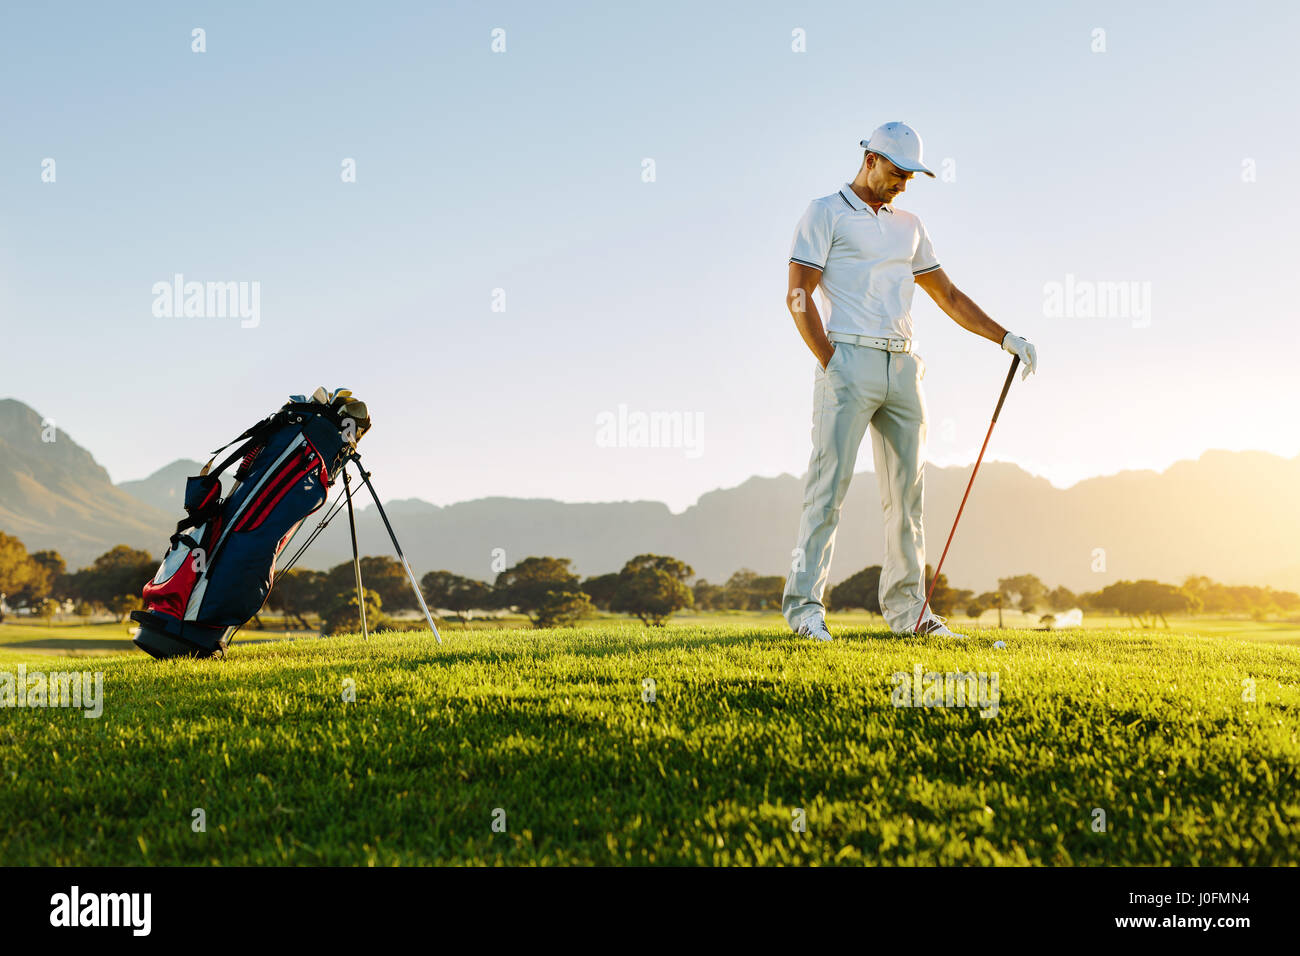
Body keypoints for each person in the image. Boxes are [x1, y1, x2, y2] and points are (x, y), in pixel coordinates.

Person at [781, 122, 1038, 641]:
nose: (903, 184)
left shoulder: (911, 226)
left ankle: (910, 615)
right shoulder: (824, 212)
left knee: (907, 498)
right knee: (826, 491)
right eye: (897, 173)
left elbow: (948, 296)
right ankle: (806, 609)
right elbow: (798, 295)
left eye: (911, 177)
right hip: (847, 359)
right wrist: (831, 362)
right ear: (870, 159)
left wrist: (1005, 337)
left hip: (903, 367)